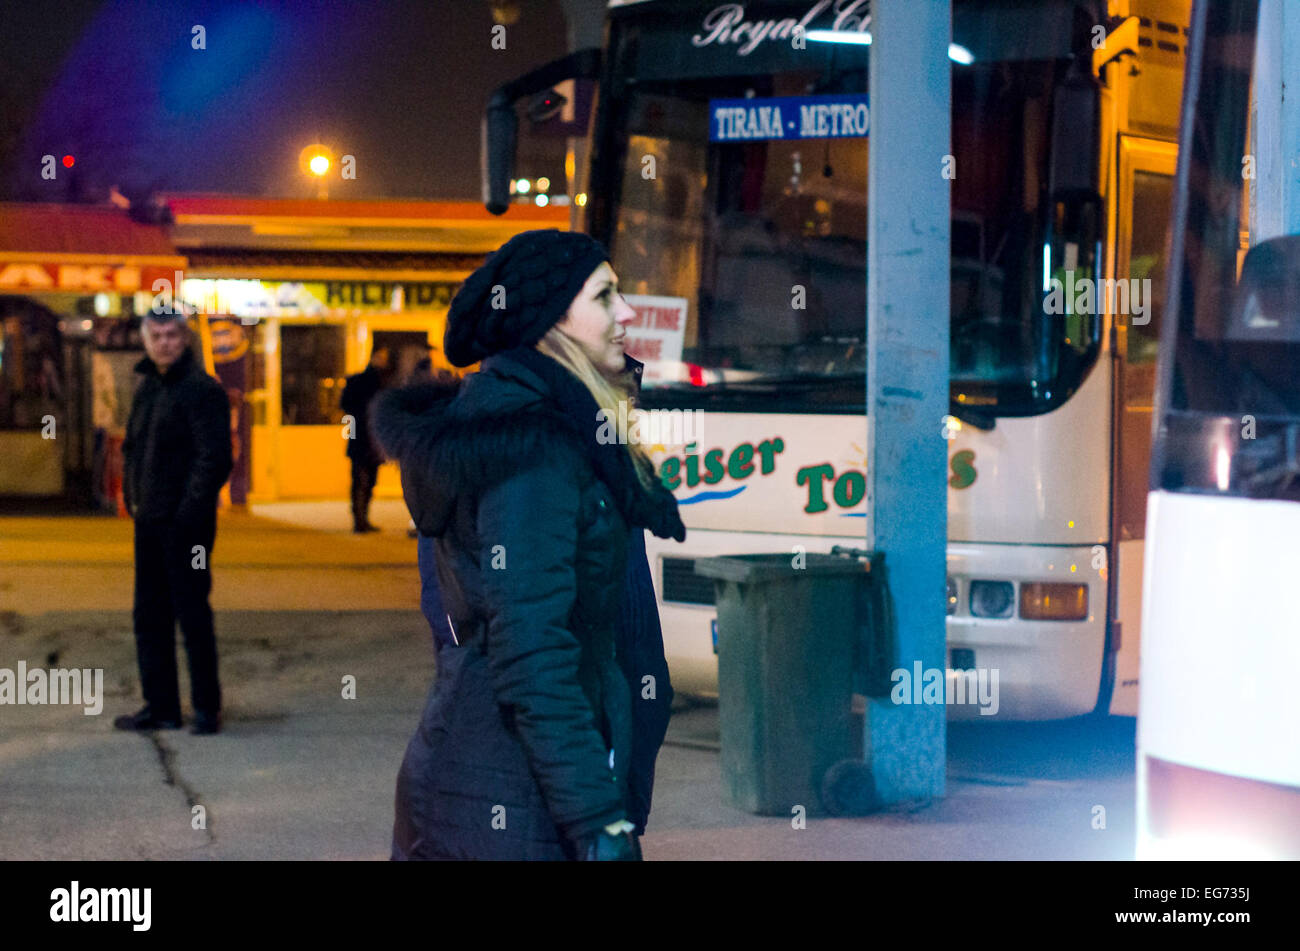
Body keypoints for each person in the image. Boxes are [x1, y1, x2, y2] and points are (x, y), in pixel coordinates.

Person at [373, 229, 686, 860]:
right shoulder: (530, 450)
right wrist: (599, 821)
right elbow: (532, 650)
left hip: (526, 785)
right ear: (551, 322)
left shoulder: (566, 427)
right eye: (604, 296)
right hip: (510, 798)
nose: (625, 313)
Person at [116, 312, 233, 735]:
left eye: (171, 335)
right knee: (149, 616)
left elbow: (215, 458)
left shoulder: (202, 391)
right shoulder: (148, 387)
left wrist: (189, 513)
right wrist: (132, 497)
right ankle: (161, 706)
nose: (164, 343)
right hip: (148, 521)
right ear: (146, 341)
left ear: (184, 340)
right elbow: (134, 447)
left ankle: (206, 708)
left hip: (188, 528)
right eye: (156, 336)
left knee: (191, 612)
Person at [340, 346, 390, 533]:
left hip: (371, 440)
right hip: (364, 439)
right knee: (361, 480)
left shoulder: (383, 383)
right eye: (380, 357)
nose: (382, 361)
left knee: (368, 481)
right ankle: (359, 519)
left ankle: (363, 518)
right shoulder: (365, 382)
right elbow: (346, 408)